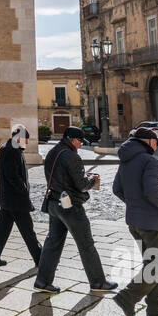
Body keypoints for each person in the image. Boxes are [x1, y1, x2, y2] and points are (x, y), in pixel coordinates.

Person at [33, 125, 118, 295]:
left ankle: (42, 281)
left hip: (54, 202)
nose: (81, 145)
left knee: (52, 243)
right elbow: (80, 185)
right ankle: (98, 282)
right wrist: (92, 180)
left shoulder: (53, 152)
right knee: (86, 243)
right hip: (69, 206)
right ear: (72, 140)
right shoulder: (72, 156)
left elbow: (60, 177)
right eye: (80, 141)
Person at [111, 125, 158, 316]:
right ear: (147, 142)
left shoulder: (126, 160)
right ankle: (127, 296)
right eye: (155, 141)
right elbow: (153, 193)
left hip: (134, 221)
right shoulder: (148, 160)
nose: (157, 145)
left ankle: (155, 308)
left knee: (151, 264)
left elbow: (117, 189)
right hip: (151, 222)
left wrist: (134, 204)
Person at [0, 124, 42, 268]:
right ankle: (41, 259)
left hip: (9, 199)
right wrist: (23, 191)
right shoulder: (11, 151)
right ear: (19, 138)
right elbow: (12, 176)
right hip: (16, 199)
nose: (27, 143)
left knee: (1, 230)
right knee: (28, 231)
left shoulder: (10, 148)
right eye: (25, 139)